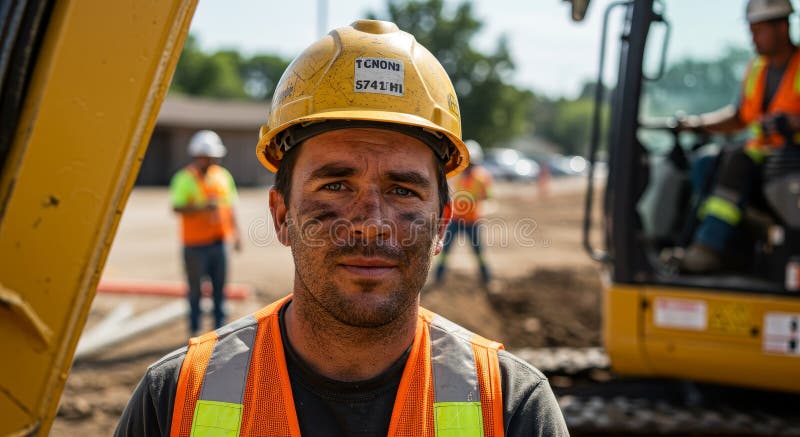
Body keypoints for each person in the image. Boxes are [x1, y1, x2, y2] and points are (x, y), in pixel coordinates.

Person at [116, 20, 568, 436]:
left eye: (403, 191)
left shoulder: (511, 409)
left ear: (442, 225)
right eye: (335, 185)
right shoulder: (174, 400)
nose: (370, 224)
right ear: (281, 215)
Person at [680, 0, 800, 273]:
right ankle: (732, 242)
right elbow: (738, 117)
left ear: (782, 27)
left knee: (737, 161)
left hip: (791, 164)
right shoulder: (757, 69)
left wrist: (792, 122)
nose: (752, 37)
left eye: (759, 30)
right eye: (751, 30)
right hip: (762, 161)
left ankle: (708, 248)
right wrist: (697, 124)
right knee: (705, 164)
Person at [169, 130, 241, 336]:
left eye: (211, 157)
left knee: (220, 289)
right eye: (204, 156)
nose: (208, 160)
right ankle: (195, 330)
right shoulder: (184, 178)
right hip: (194, 245)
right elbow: (177, 207)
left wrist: (237, 236)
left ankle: (220, 331)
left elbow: (230, 207)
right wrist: (202, 208)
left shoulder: (223, 176)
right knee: (195, 290)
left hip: (219, 242)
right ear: (196, 155)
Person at [435, 139, 494, 286]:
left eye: (472, 163)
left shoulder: (483, 178)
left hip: (472, 221)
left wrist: (482, 207)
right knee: (445, 250)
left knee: (478, 251)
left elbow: (489, 197)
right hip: (455, 220)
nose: (469, 166)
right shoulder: (456, 175)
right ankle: (438, 278)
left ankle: (486, 279)